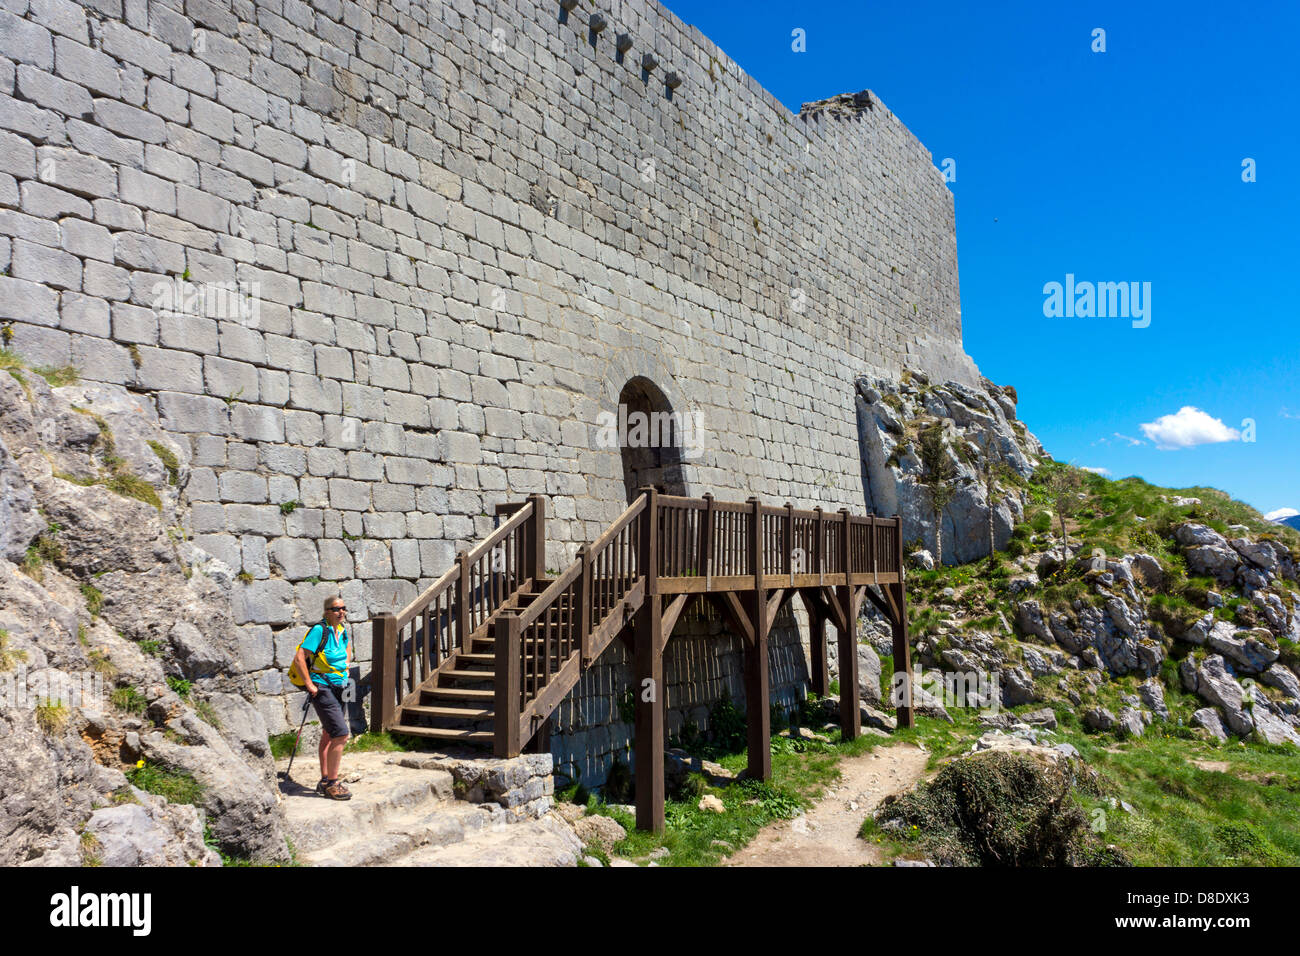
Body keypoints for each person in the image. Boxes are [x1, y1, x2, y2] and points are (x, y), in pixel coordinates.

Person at [293, 595, 354, 800]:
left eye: (343, 608)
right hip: (322, 686)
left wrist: (345, 664)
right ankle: (332, 783)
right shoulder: (319, 630)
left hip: (340, 685)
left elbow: (347, 651)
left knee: (329, 733)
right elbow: (300, 656)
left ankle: (325, 779)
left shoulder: (342, 630)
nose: (341, 612)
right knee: (341, 733)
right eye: (337, 609)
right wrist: (310, 685)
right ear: (327, 611)